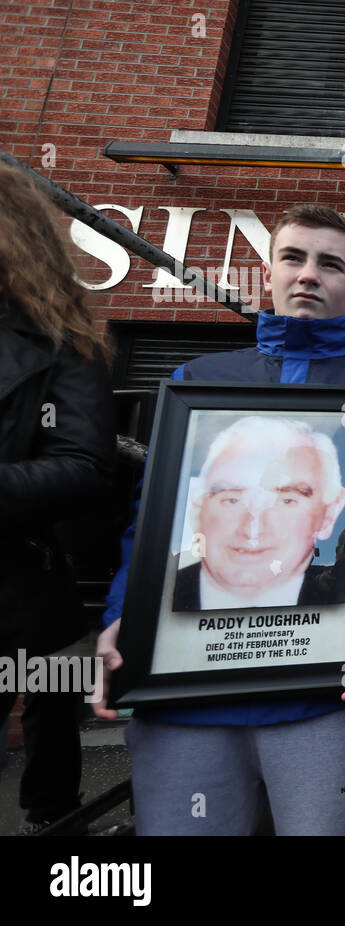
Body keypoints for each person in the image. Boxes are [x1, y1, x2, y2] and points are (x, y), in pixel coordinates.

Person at [94, 204, 345, 835]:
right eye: (293, 258)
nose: (309, 274)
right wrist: (124, 616)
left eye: (331, 264)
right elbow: (154, 520)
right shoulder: (197, 381)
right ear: (269, 273)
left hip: (329, 701)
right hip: (186, 701)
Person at [0, 165, 115, 834]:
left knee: (49, 701)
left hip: (25, 587)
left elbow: (84, 467)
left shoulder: (63, 345)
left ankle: (57, 821)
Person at [172, 415, 345, 611]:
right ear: (197, 507)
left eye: (287, 502)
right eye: (232, 500)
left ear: (328, 515)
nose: (253, 528)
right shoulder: (159, 597)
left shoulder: (341, 602)